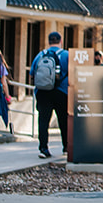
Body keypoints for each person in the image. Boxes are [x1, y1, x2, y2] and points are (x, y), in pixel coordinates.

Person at [29, 31, 70, 159]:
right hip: (61, 92)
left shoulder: (41, 55)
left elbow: (32, 73)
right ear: (61, 41)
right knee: (63, 120)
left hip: (43, 92)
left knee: (43, 121)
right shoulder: (66, 55)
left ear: (48, 42)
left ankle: (43, 148)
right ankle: (66, 147)